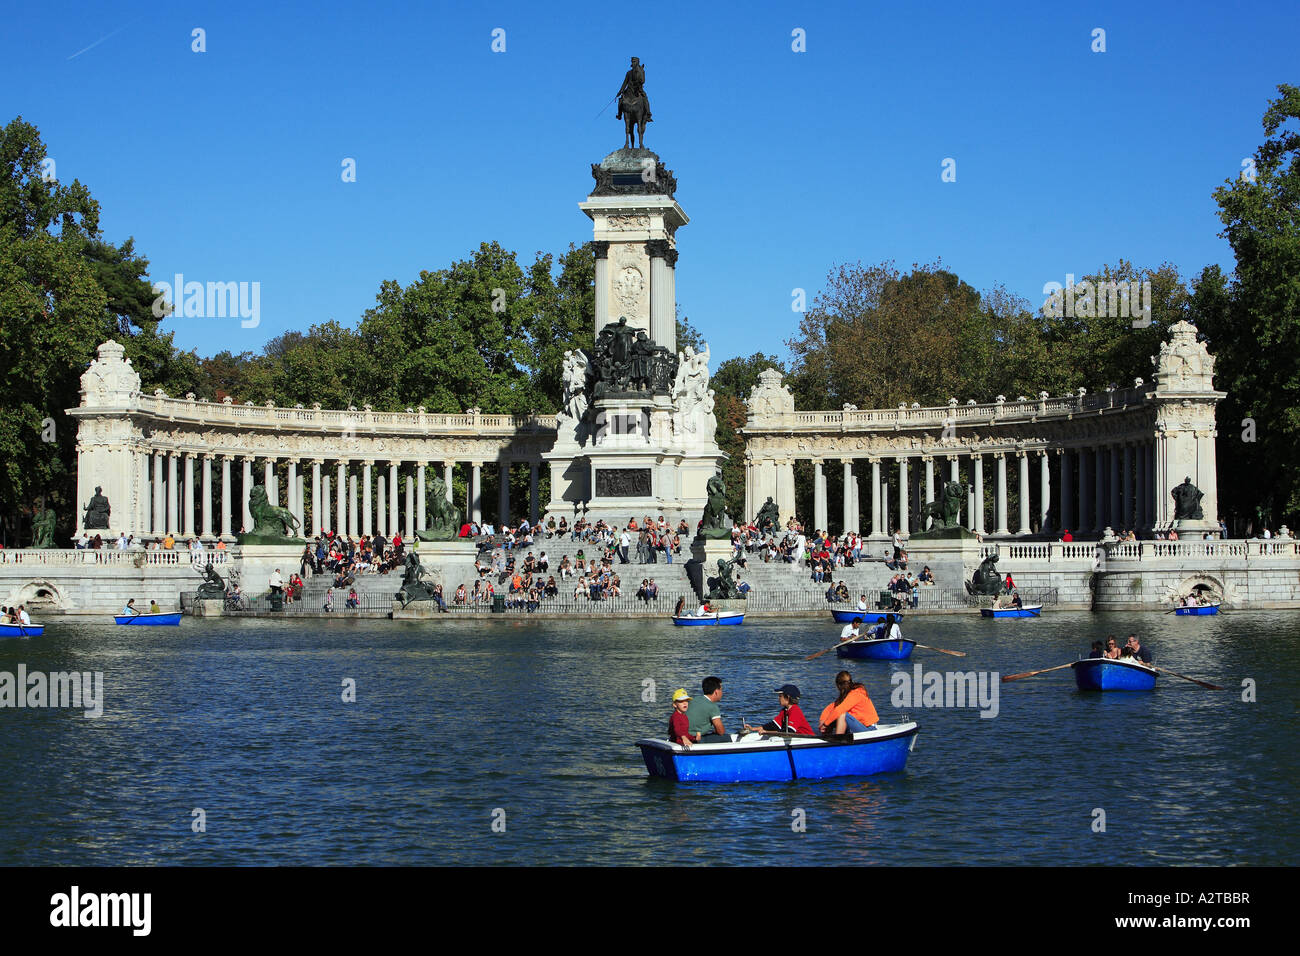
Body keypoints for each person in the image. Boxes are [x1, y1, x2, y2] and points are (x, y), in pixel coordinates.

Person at [819, 671, 879, 735]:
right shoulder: (848, 695)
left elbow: (839, 710)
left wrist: (825, 724)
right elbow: (831, 708)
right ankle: (827, 737)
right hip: (860, 726)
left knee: (842, 715)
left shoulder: (856, 694)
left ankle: (838, 740)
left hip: (870, 729)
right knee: (832, 717)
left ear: (839, 686)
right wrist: (823, 721)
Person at [743, 685, 815, 736]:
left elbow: (789, 731)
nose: (778, 698)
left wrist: (766, 732)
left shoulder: (795, 710)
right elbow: (773, 725)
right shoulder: (785, 710)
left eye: (780, 696)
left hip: (807, 740)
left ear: (787, 697)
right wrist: (753, 729)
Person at [685, 676, 727, 742]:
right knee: (725, 737)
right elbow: (721, 732)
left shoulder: (694, 700)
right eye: (721, 690)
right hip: (694, 739)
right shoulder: (712, 706)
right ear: (716, 692)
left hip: (683, 736)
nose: (722, 692)